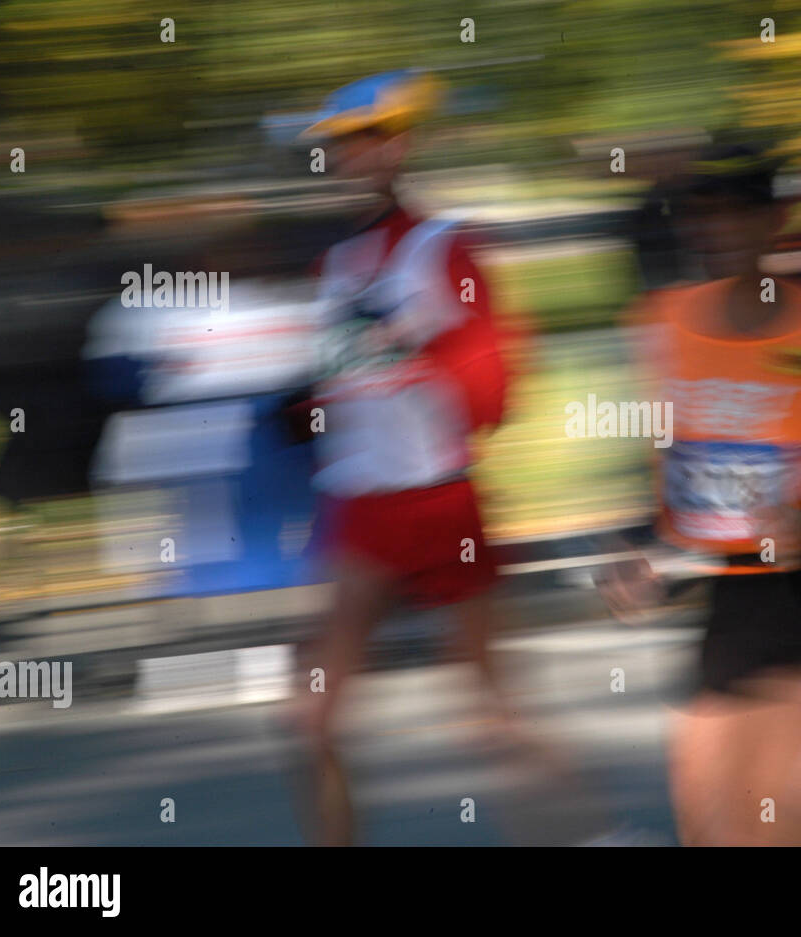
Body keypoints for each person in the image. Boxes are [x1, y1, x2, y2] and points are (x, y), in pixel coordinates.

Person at [597, 144, 801, 845]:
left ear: (771, 224)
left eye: (734, 216)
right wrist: (638, 553)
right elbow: (679, 489)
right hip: (724, 601)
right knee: (710, 820)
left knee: (773, 824)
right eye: (702, 217)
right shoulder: (666, 326)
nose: (715, 232)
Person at [288, 70, 510, 845]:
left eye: (365, 140)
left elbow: (495, 389)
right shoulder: (335, 266)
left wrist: (431, 357)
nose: (349, 157)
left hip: (439, 498)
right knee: (311, 711)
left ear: (400, 145)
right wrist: (299, 409)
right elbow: (335, 384)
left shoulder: (439, 245)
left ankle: (590, 837)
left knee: (489, 712)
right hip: (363, 508)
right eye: (339, 145)